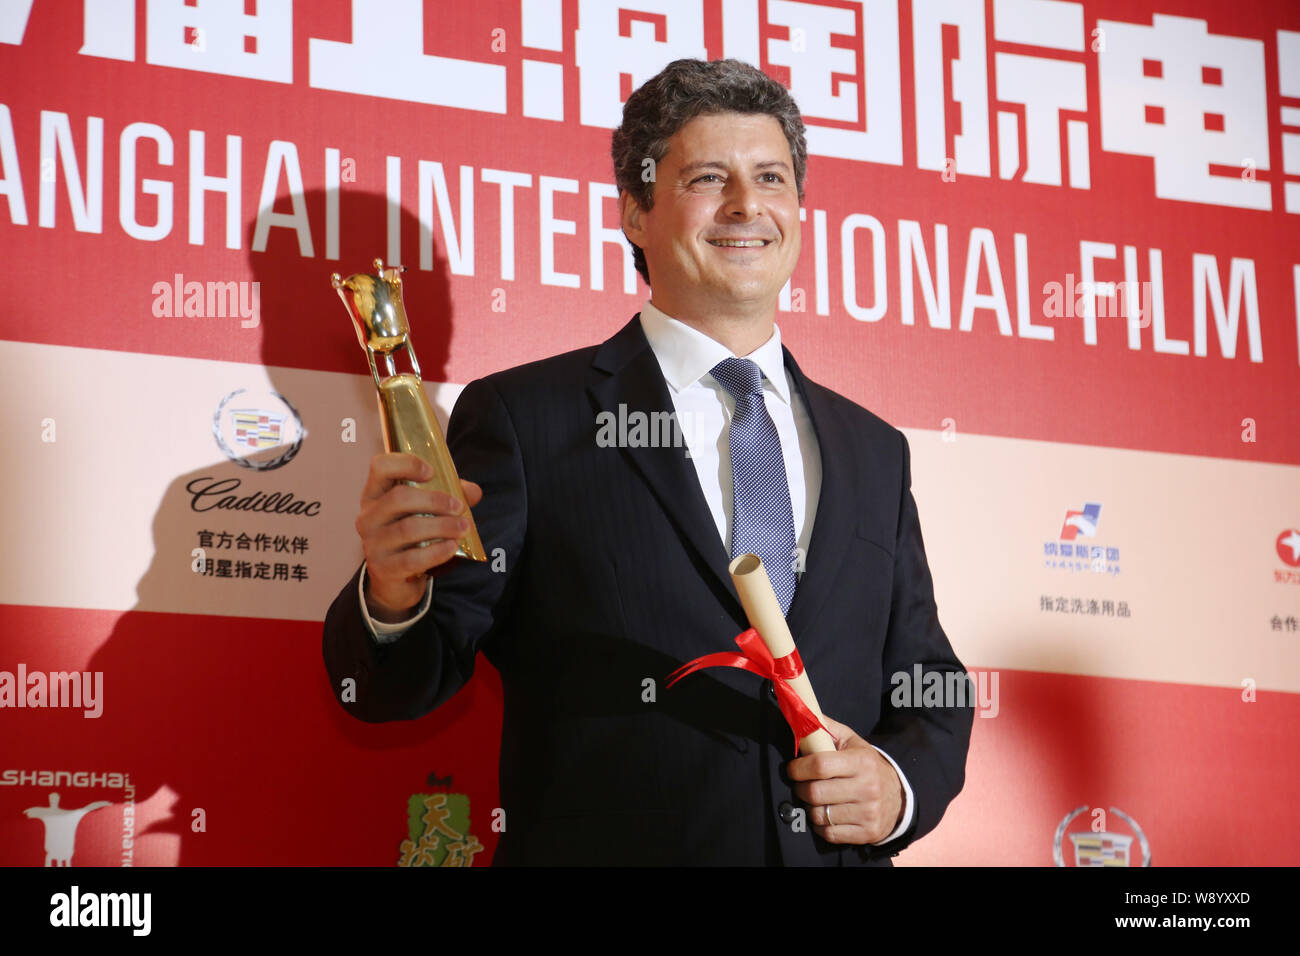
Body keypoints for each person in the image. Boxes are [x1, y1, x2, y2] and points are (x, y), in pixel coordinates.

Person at [323, 58, 973, 866]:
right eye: (709, 177)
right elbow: (402, 684)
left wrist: (897, 784)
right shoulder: (528, 420)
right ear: (635, 210)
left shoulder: (875, 451)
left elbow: (929, 686)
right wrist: (393, 593)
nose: (747, 205)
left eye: (771, 176)